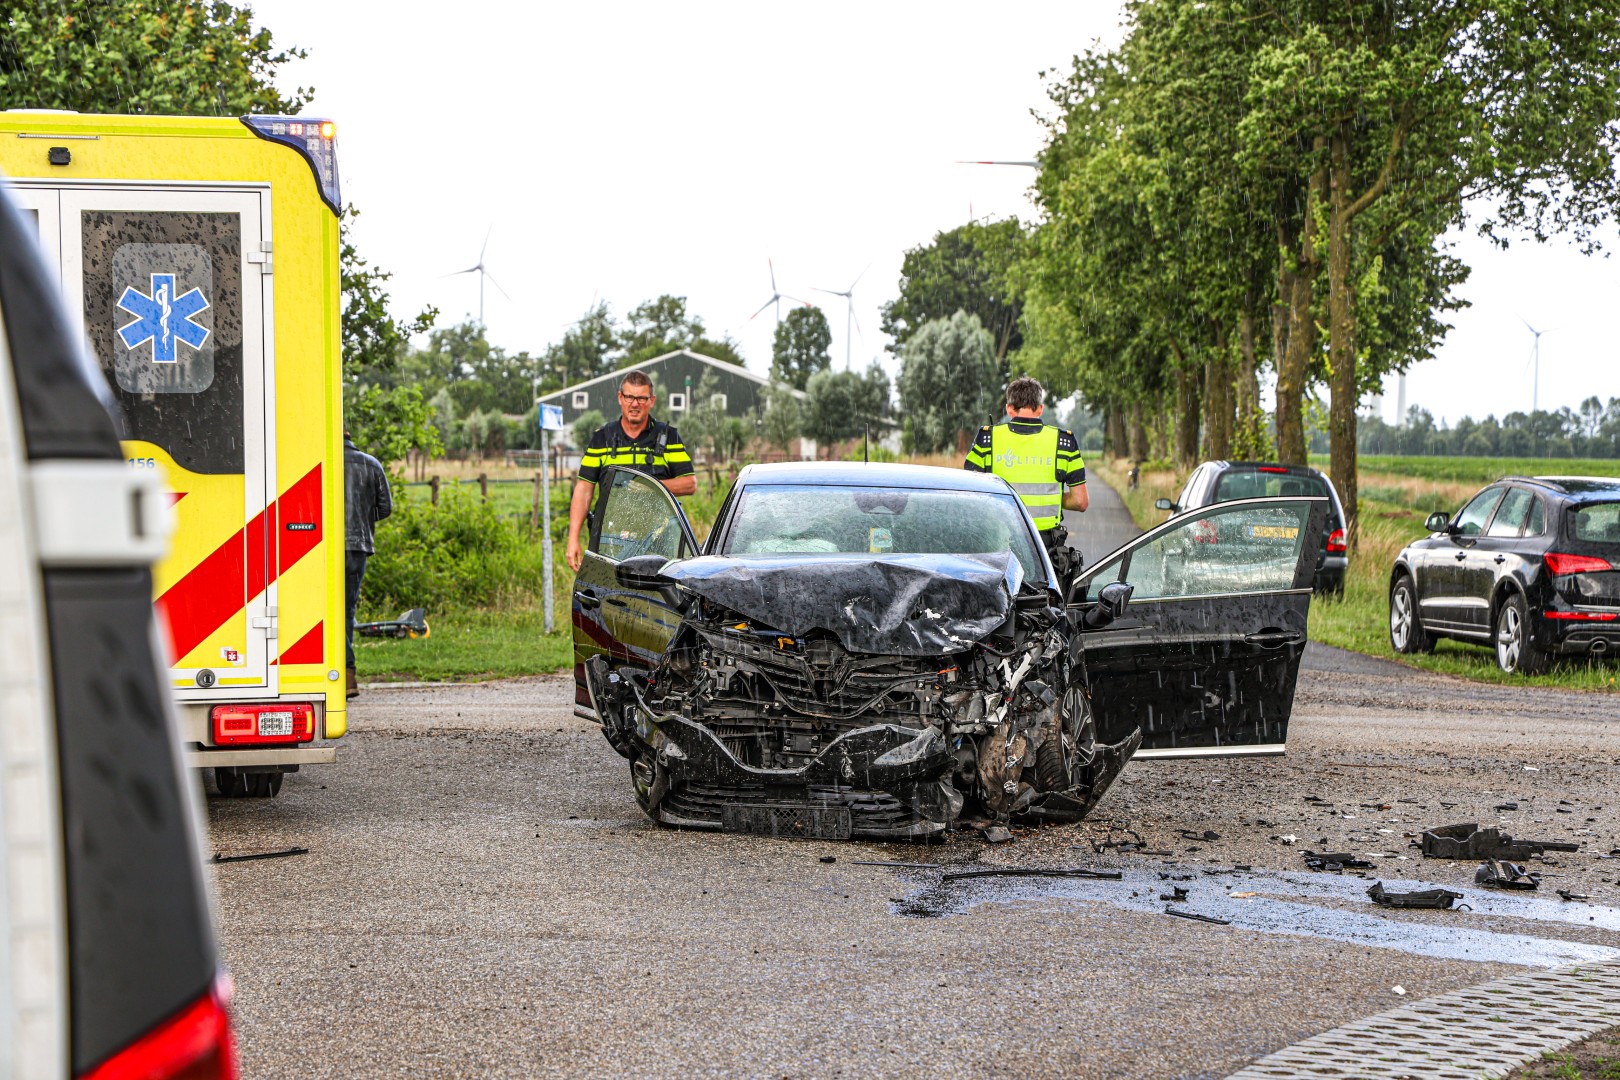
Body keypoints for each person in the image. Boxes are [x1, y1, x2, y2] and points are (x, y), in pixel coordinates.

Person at [565, 370, 696, 572]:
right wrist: (573, 539)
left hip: (659, 542)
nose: (635, 404)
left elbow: (689, 483)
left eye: (641, 398)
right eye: (629, 397)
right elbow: (584, 489)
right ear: (620, 398)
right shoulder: (601, 439)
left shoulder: (668, 437)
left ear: (651, 401)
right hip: (609, 541)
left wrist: (651, 486)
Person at [964, 376, 1088, 587]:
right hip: (1045, 551)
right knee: (1046, 610)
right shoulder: (1063, 442)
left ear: (1009, 408)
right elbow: (1080, 501)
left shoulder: (987, 440)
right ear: (1040, 409)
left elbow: (968, 493)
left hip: (998, 547)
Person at [344, 431, 391, 699]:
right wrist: (362, 516)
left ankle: (332, 671)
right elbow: (385, 508)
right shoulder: (371, 464)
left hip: (321, 546)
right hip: (357, 547)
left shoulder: (322, 461)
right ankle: (348, 677)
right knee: (347, 611)